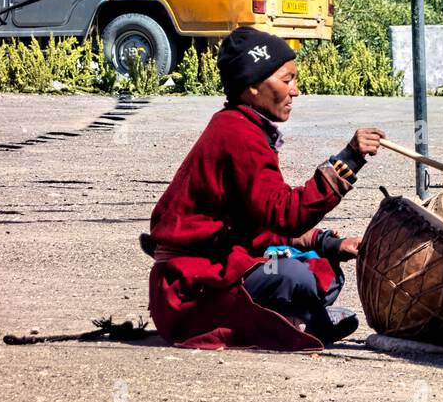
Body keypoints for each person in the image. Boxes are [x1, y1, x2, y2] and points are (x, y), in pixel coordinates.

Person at [145, 27, 383, 350]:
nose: (295, 91)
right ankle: (295, 321)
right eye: (287, 81)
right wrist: (348, 160)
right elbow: (283, 215)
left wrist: (327, 243)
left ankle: (294, 317)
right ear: (253, 86)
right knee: (294, 276)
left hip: (211, 270)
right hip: (190, 292)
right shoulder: (238, 134)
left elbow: (260, 224)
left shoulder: (242, 126)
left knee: (323, 265)